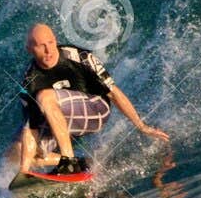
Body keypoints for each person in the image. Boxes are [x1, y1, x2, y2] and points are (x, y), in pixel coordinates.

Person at [9, 23, 168, 175]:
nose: (48, 50)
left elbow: (114, 93)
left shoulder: (79, 57)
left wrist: (142, 126)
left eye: (50, 43)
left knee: (45, 96)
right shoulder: (29, 80)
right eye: (40, 46)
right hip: (59, 119)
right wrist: (24, 170)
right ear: (30, 49)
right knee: (17, 151)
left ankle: (68, 161)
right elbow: (31, 128)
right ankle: (80, 163)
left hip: (96, 109)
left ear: (55, 40)